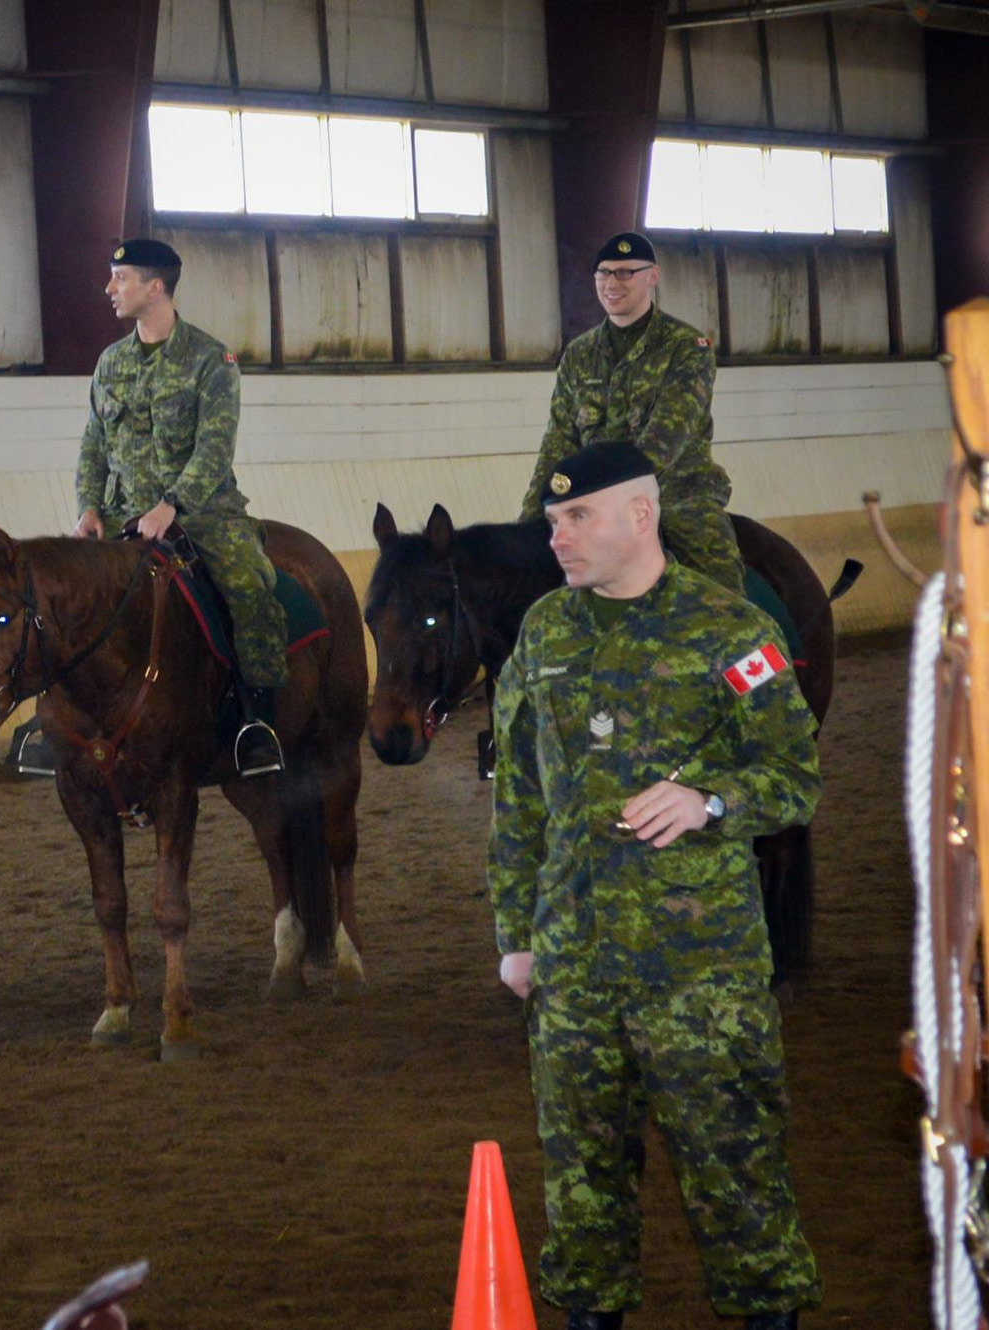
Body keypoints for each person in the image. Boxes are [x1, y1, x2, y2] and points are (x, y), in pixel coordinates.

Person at [489, 440, 821, 1330]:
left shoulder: (732, 631)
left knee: (737, 1174)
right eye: (553, 521)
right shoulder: (545, 633)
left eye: (578, 517)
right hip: (572, 967)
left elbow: (795, 773)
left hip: (700, 971)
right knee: (583, 1190)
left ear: (641, 515)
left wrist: (711, 800)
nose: (558, 537)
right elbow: (519, 799)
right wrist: (516, 938)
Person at [70, 237, 285, 778]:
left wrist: (173, 505)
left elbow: (216, 447)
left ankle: (258, 718)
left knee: (249, 583)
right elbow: (94, 443)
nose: (109, 289)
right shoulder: (110, 364)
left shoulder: (212, 360)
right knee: (63, 597)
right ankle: (56, 725)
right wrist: (89, 508)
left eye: (121, 279)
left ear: (155, 287)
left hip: (203, 514)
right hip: (122, 519)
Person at [520, 232, 745, 594]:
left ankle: (740, 643)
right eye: (604, 273)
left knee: (716, 572)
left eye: (626, 272)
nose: (612, 283)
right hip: (589, 496)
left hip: (677, 492)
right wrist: (532, 514)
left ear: (652, 276)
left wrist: (605, 496)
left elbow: (665, 440)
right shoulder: (579, 354)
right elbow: (559, 439)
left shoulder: (687, 348)